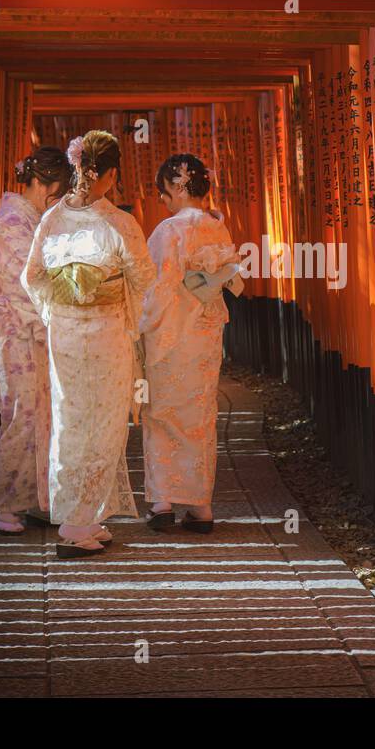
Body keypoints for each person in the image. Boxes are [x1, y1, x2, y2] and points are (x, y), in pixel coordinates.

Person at [22, 130, 155, 557]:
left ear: (77, 168)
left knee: (70, 419)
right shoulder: (119, 223)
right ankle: (76, 524)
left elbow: (32, 278)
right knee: (105, 421)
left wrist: (60, 304)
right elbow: (144, 279)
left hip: (64, 333)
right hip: (107, 333)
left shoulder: (51, 219)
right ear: (111, 174)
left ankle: (88, 514)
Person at [140, 154, 243, 534]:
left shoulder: (168, 231)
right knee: (200, 413)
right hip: (205, 329)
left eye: (163, 190)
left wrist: (138, 324)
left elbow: (156, 288)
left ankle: (162, 501)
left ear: (177, 186)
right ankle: (201, 506)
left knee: (161, 410)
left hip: (170, 331)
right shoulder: (218, 228)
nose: (162, 198)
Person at [0, 146, 73, 534]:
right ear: (44, 185)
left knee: (40, 410)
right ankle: (3, 504)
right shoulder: (13, 224)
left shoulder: (24, 220)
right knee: (20, 411)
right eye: (57, 192)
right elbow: (27, 286)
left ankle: (34, 497)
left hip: (26, 325)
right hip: (14, 327)